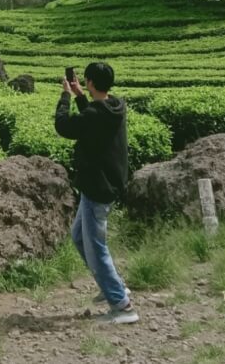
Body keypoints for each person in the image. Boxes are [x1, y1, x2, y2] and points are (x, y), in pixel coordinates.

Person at [55, 61, 138, 324]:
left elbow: (64, 127)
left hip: (97, 187)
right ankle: (113, 286)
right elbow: (93, 121)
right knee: (79, 237)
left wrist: (66, 96)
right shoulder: (114, 106)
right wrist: (81, 96)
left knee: (96, 248)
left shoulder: (96, 113)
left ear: (90, 82)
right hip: (105, 183)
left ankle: (123, 307)